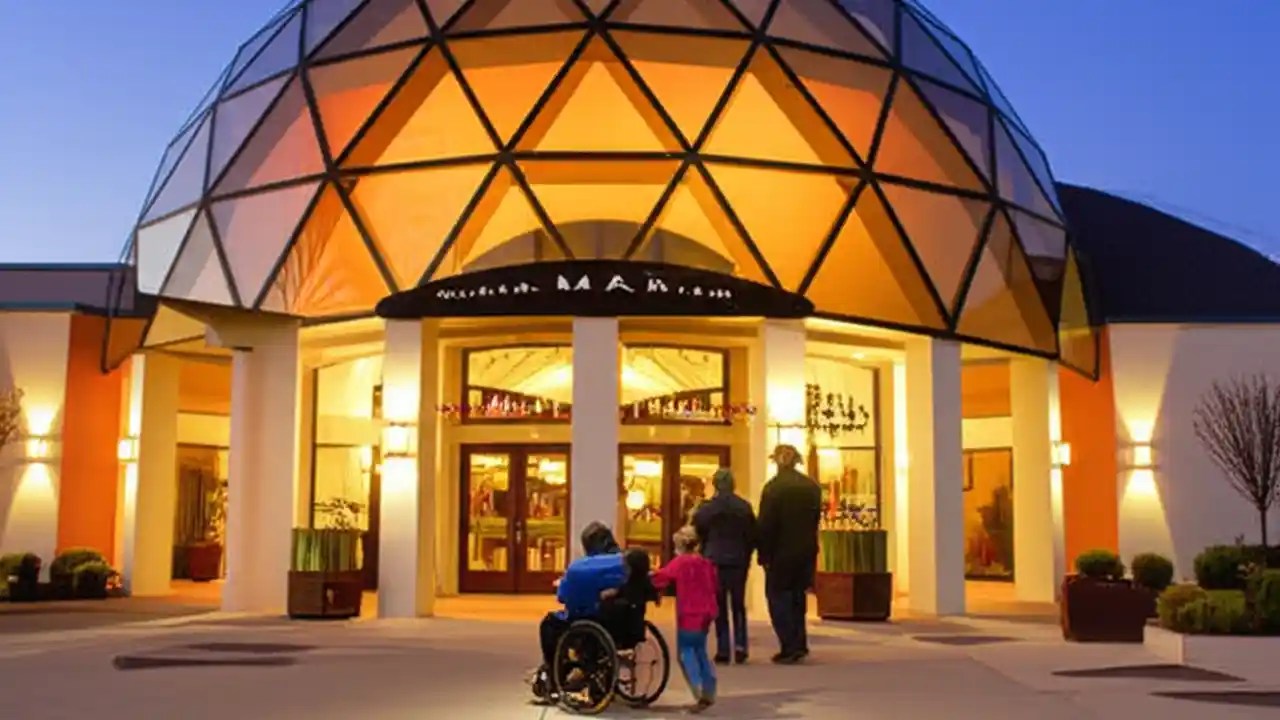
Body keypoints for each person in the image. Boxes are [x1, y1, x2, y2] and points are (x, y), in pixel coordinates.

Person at [757, 444, 822, 664]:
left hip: (780, 553)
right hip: (805, 551)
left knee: (778, 598)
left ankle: (789, 645)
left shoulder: (773, 488)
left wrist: (763, 554)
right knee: (797, 597)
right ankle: (800, 642)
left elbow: (766, 525)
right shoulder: (811, 487)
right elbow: (815, 520)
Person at [536, 522, 626, 672]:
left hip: (588, 619)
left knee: (549, 624)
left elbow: (563, 597)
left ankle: (555, 669)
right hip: (621, 622)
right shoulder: (627, 563)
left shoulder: (580, 568)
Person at [651, 526, 719, 714]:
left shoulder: (681, 562)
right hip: (707, 612)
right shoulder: (705, 563)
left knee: (686, 652)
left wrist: (647, 575)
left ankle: (697, 692)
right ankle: (710, 688)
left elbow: (662, 578)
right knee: (701, 651)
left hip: (689, 612)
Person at [692, 467, 756, 665]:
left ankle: (723, 648)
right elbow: (752, 534)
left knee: (718, 605)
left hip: (715, 559)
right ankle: (740, 646)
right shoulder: (744, 507)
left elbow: (698, 530)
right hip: (738, 560)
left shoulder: (707, 508)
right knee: (738, 604)